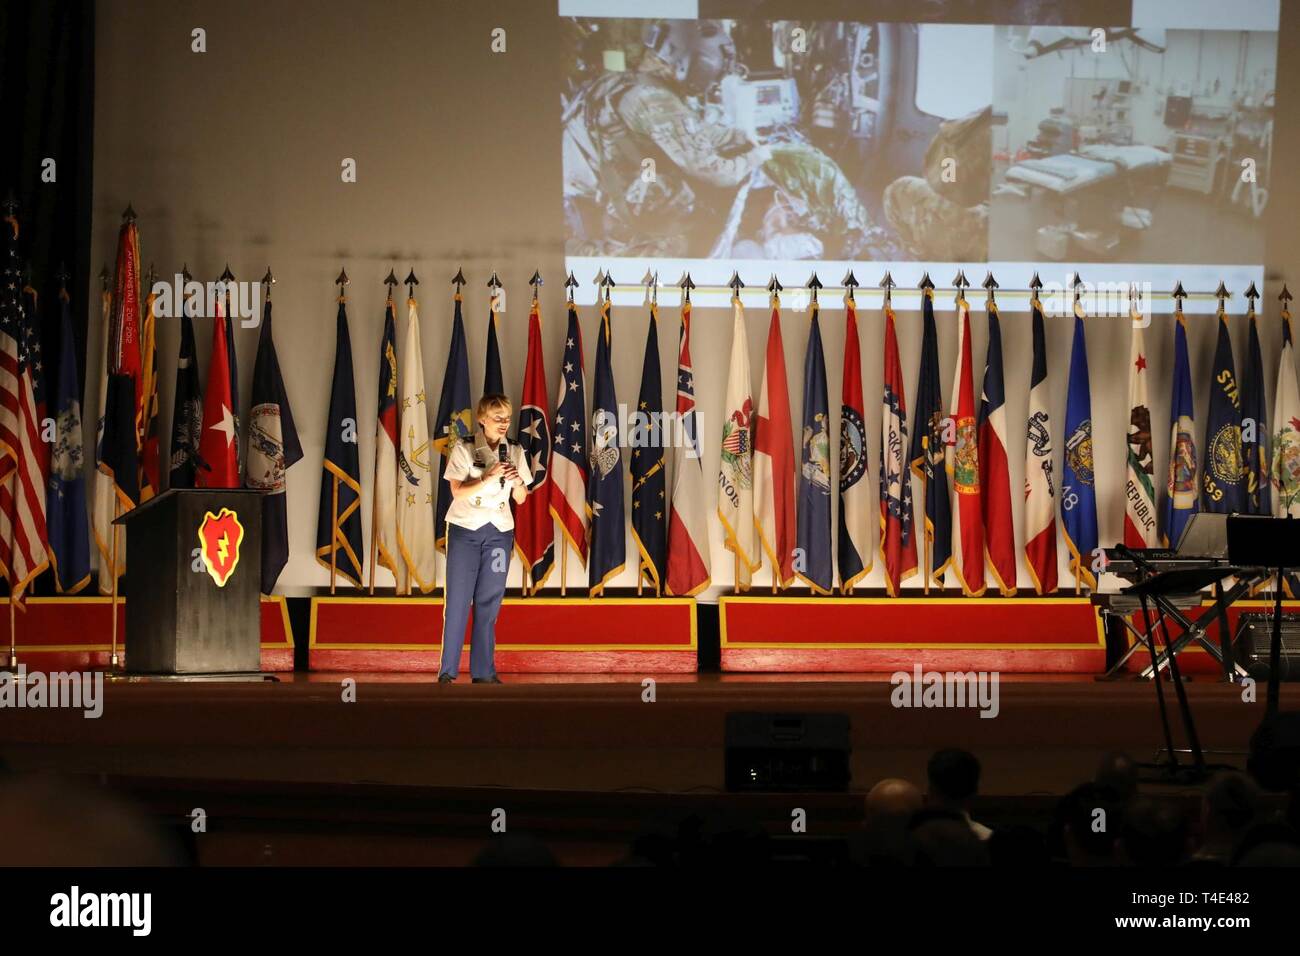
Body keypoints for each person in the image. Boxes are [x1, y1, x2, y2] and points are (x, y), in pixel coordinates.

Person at [438, 394, 530, 684]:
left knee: (489, 601)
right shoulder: (465, 447)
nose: (504, 423)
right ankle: (448, 672)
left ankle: (484, 672)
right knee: (458, 601)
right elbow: (457, 492)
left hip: (499, 532)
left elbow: (522, 497)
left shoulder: (514, 449)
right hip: (466, 529)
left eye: (507, 418)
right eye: (497, 417)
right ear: (482, 419)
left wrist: (516, 482)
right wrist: (488, 478)